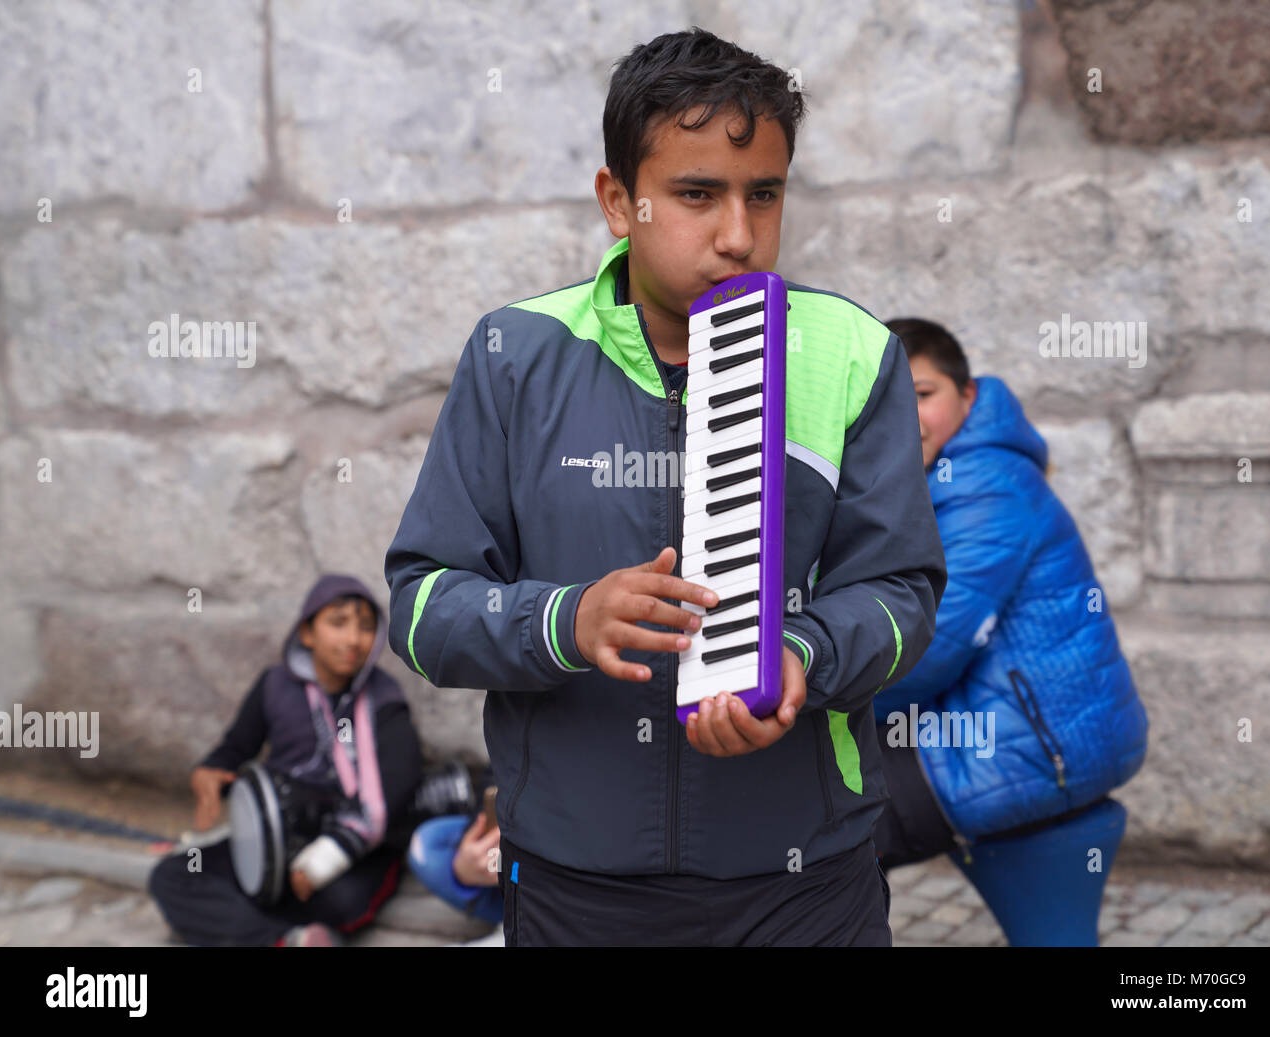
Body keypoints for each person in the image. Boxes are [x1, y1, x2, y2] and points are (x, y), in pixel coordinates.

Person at [384, 27, 946, 947]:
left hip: (804, 881)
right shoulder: (513, 355)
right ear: (620, 201)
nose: (737, 234)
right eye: (696, 195)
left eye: (763, 195)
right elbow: (421, 606)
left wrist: (804, 655)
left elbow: (904, 594)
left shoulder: (851, 353)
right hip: (575, 882)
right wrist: (565, 622)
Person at [870, 317, 1148, 868]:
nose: (907, 416)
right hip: (997, 726)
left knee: (818, 826)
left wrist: (809, 698)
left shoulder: (988, 487)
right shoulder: (942, 472)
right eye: (890, 399)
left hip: (1039, 748)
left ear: (968, 395)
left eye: (923, 394)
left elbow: (928, 650)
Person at [148, 574, 424, 946]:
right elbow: (235, 748)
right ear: (307, 632)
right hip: (278, 836)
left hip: (353, 840)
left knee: (340, 900)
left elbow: (396, 787)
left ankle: (247, 927)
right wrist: (211, 773)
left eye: (365, 627)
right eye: (338, 623)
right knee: (174, 876)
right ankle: (284, 941)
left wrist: (329, 856)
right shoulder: (275, 685)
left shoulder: (385, 700)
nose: (353, 639)